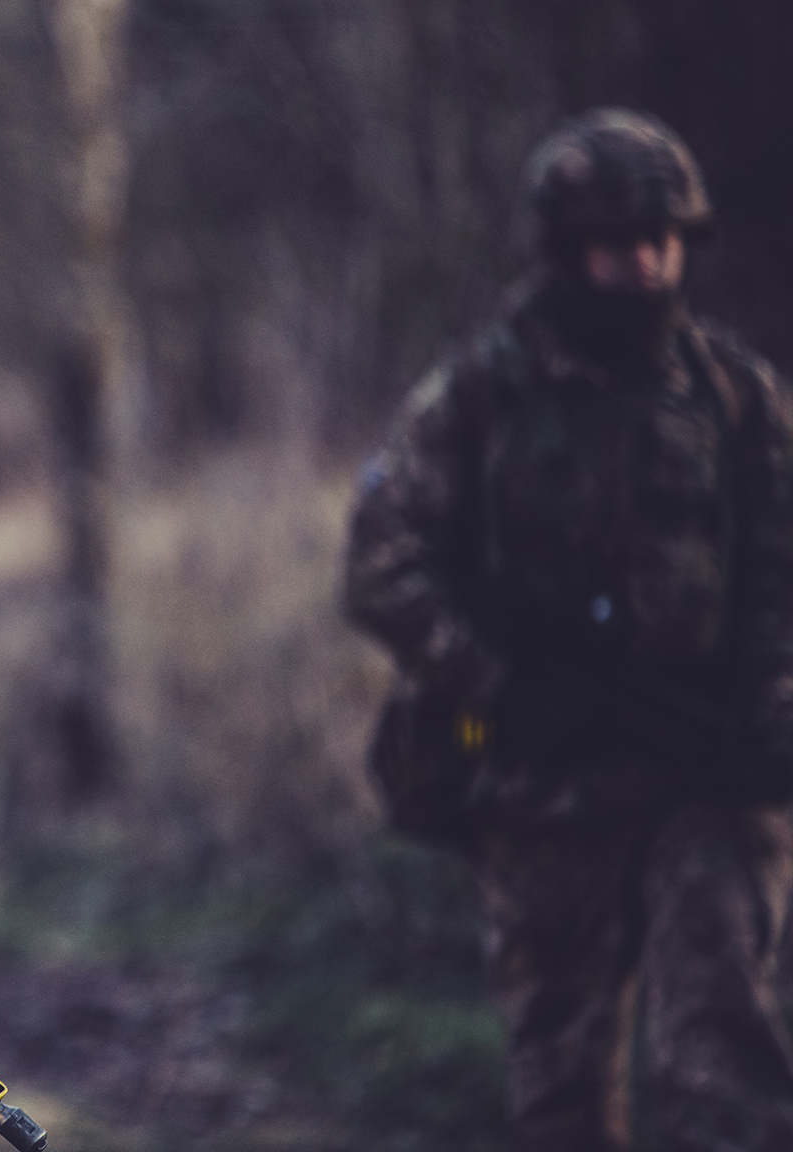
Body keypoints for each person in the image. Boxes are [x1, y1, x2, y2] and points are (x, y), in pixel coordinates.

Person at [344, 108, 793, 1151]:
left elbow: (781, 579)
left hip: (706, 777)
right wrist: (494, 680)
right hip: (544, 788)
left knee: (724, 1065)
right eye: (614, 243)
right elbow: (380, 567)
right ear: (560, 249)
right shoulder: (479, 396)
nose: (641, 265)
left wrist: (773, 711)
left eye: (660, 240)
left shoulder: (735, 400)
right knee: (560, 1092)